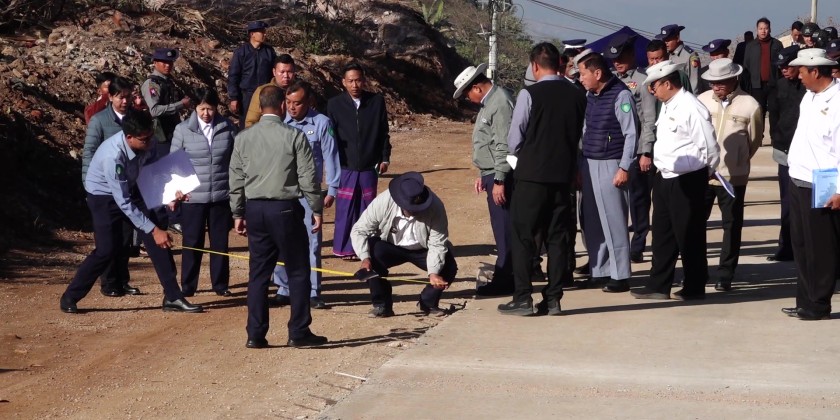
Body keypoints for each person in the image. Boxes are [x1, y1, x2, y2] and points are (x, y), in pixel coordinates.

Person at [60, 111, 201, 314]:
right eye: (145, 139)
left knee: (159, 244)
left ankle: (173, 297)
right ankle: (70, 296)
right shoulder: (113, 157)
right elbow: (123, 202)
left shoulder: (146, 141)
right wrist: (153, 230)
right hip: (104, 197)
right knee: (106, 250)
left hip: (133, 188)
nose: (150, 142)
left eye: (151, 136)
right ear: (129, 138)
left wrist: (169, 195)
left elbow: (153, 172)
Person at [229, 85, 327, 348]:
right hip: (284, 209)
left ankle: (255, 334)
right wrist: (316, 209)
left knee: (259, 273)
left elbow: (236, 177)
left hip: (255, 209)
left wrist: (237, 212)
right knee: (297, 270)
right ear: (282, 106)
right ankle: (298, 330)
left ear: (260, 108)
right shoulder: (293, 136)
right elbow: (309, 177)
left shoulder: (244, 137)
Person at [498, 42, 586, 316]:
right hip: (563, 176)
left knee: (524, 235)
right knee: (558, 238)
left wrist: (526, 154)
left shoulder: (529, 94)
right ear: (560, 64)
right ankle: (554, 298)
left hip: (532, 175)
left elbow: (514, 138)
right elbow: (580, 135)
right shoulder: (576, 94)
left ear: (535, 65)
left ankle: (523, 296)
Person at [630, 60, 720, 301]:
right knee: (662, 234)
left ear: (667, 83)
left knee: (689, 234)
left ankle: (695, 285)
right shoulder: (669, 105)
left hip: (687, 179)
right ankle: (659, 285)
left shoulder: (691, 106)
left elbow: (709, 144)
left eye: (654, 86)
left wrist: (708, 170)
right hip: (665, 177)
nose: (652, 91)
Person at [269, 81, 340, 309]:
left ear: (308, 102)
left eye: (297, 103)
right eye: (288, 102)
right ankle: (283, 288)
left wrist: (332, 188)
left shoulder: (321, 123)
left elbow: (331, 156)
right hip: (284, 192)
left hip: (310, 194)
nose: (291, 107)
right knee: (282, 240)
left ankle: (313, 291)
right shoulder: (280, 124)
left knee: (312, 243)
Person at [781, 48, 840, 321]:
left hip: (825, 179)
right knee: (802, 244)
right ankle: (804, 299)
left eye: (802, 70)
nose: (798, 76)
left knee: (821, 246)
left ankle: (819, 303)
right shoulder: (809, 97)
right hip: (799, 177)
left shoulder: (838, 100)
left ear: (816, 71)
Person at [351, 172, 458, 317]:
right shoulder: (384, 201)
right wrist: (364, 258)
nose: (415, 211)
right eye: (411, 208)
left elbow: (437, 244)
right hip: (390, 245)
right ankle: (382, 305)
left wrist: (433, 273)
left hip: (423, 248)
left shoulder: (436, 207)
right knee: (372, 255)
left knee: (448, 266)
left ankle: (428, 303)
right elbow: (359, 230)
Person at [575, 51, 639, 293]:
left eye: (583, 74)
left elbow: (631, 134)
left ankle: (620, 274)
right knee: (591, 221)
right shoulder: (591, 96)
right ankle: (599, 270)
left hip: (612, 163)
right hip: (590, 162)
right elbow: (585, 130)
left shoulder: (621, 94)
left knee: (613, 221)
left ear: (597, 73)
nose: (581, 78)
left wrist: (624, 167)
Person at [697, 58, 764, 291]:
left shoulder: (750, 105)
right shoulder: (701, 102)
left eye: (722, 81)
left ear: (734, 78)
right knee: (696, 223)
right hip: (703, 174)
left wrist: (739, 159)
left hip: (733, 176)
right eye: (713, 82)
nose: (717, 86)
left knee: (732, 225)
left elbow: (754, 140)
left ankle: (725, 274)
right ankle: (698, 271)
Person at [453, 63, 515, 296]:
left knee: (504, 229)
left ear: (477, 88)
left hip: (500, 175)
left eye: (467, 94)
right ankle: (506, 276)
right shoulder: (492, 102)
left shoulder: (499, 103)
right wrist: (484, 174)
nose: (469, 99)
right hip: (491, 173)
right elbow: (488, 142)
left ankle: (506, 279)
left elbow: (503, 144)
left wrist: (499, 179)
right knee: (500, 228)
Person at [170, 87, 237, 297]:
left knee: (220, 243)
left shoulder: (227, 127)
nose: (206, 113)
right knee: (192, 242)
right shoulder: (182, 130)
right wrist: (177, 190)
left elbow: (236, 160)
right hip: (193, 197)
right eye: (202, 109)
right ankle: (188, 286)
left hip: (220, 195)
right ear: (195, 108)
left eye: (210, 108)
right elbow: (174, 162)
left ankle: (220, 284)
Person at [81, 76, 142, 297]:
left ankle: (122, 279)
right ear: (110, 97)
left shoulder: (136, 118)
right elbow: (89, 152)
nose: (125, 101)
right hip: (105, 190)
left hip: (129, 185)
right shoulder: (99, 120)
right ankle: (108, 283)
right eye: (120, 97)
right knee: (108, 240)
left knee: (126, 238)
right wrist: (88, 184)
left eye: (129, 96)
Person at [328, 62, 392, 260]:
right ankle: (345, 248)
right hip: (345, 166)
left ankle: (365, 250)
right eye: (350, 81)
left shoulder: (376, 102)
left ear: (364, 81)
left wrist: (384, 157)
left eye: (358, 80)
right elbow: (330, 138)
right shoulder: (334, 104)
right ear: (343, 82)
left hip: (368, 166)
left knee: (368, 209)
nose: (354, 85)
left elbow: (383, 132)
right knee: (345, 210)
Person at [604, 33, 657, 264]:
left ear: (631, 56)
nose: (617, 63)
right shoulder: (612, 80)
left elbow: (648, 118)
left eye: (621, 58)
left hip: (636, 150)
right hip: (615, 149)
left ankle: (638, 244)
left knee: (638, 200)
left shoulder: (644, 81)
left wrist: (646, 151)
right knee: (615, 201)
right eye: (614, 60)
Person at [766, 45, 804, 262]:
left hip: (806, 151)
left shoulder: (809, 88)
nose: (783, 70)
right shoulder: (779, 86)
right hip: (784, 150)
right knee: (787, 201)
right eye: (780, 67)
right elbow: (774, 115)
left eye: (787, 66)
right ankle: (785, 246)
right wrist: (776, 140)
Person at [141, 48, 192, 157]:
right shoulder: (152, 84)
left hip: (171, 132)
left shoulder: (168, 81)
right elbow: (154, 111)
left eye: (170, 62)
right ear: (155, 63)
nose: (168, 65)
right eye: (164, 62)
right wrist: (180, 104)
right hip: (159, 135)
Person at [227, 21, 276, 129]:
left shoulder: (269, 52)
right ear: (252, 34)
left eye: (264, 31)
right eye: (261, 31)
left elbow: (274, 73)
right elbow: (233, 75)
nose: (265, 34)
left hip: (265, 95)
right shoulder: (241, 52)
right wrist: (234, 97)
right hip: (246, 96)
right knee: (246, 125)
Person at [244, 54, 297, 128]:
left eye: (289, 72)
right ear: (274, 72)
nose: (286, 76)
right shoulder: (262, 91)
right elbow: (251, 122)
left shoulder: (300, 91)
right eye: (282, 72)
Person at [744, 17, 784, 114]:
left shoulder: (777, 44)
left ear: (770, 29)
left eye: (765, 28)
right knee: (758, 113)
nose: (763, 31)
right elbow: (746, 66)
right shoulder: (751, 46)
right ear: (756, 30)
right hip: (756, 86)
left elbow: (782, 64)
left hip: (773, 85)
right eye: (760, 28)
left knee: (774, 112)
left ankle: (774, 130)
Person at [655, 24, 700, 94]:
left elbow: (694, 83)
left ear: (677, 38)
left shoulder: (689, 55)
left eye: (668, 39)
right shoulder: (666, 55)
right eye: (664, 40)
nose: (665, 43)